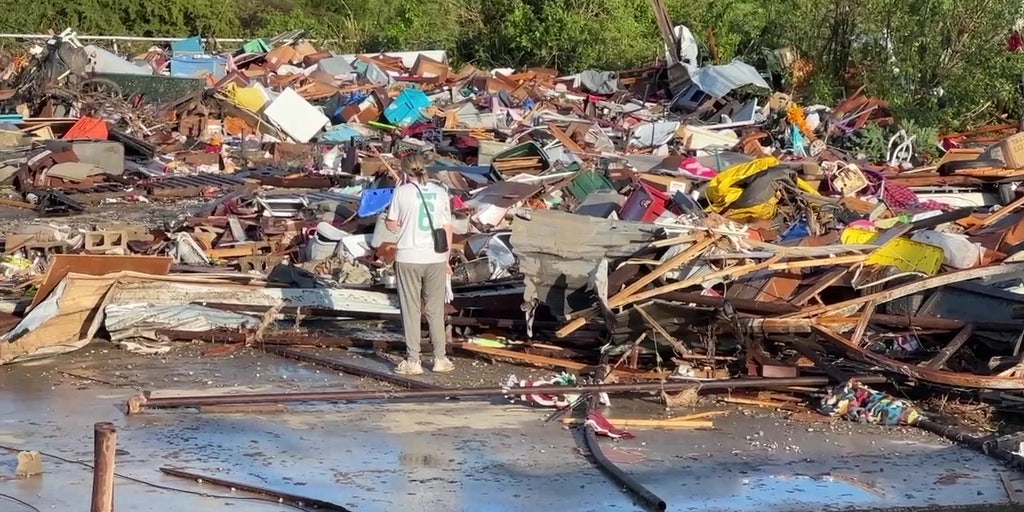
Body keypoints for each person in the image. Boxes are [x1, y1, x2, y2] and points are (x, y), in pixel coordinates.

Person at [385, 153, 455, 375]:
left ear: (405, 171)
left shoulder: (401, 192)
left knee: (411, 309)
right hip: (435, 256)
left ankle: (413, 361)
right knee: (435, 309)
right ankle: (440, 359)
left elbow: (392, 225)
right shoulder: (441, 191)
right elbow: (447, 228)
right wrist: (446, 259)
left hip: (409, 256)